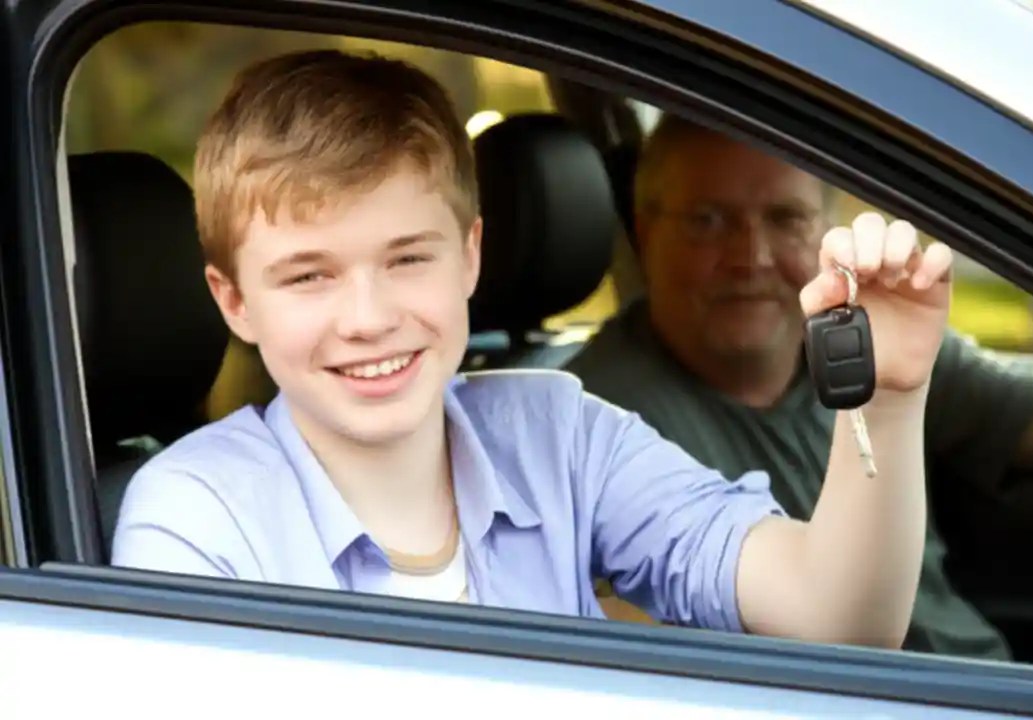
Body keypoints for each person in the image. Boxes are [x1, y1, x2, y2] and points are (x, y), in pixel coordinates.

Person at [110, 49, 958, 648]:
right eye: (308, 277)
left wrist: (886, 398)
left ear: (470, 256)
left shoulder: (558, 435)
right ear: (234, 300)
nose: (366, 318)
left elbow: (835, 618)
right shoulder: (197, 519)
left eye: (407, 259)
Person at [566, 114, 1033, 659]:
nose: (750, 256)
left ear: (825, 229)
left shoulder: (873, 341)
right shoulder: (601, 433)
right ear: (645, 232)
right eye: (708, 221)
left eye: (785, 218)